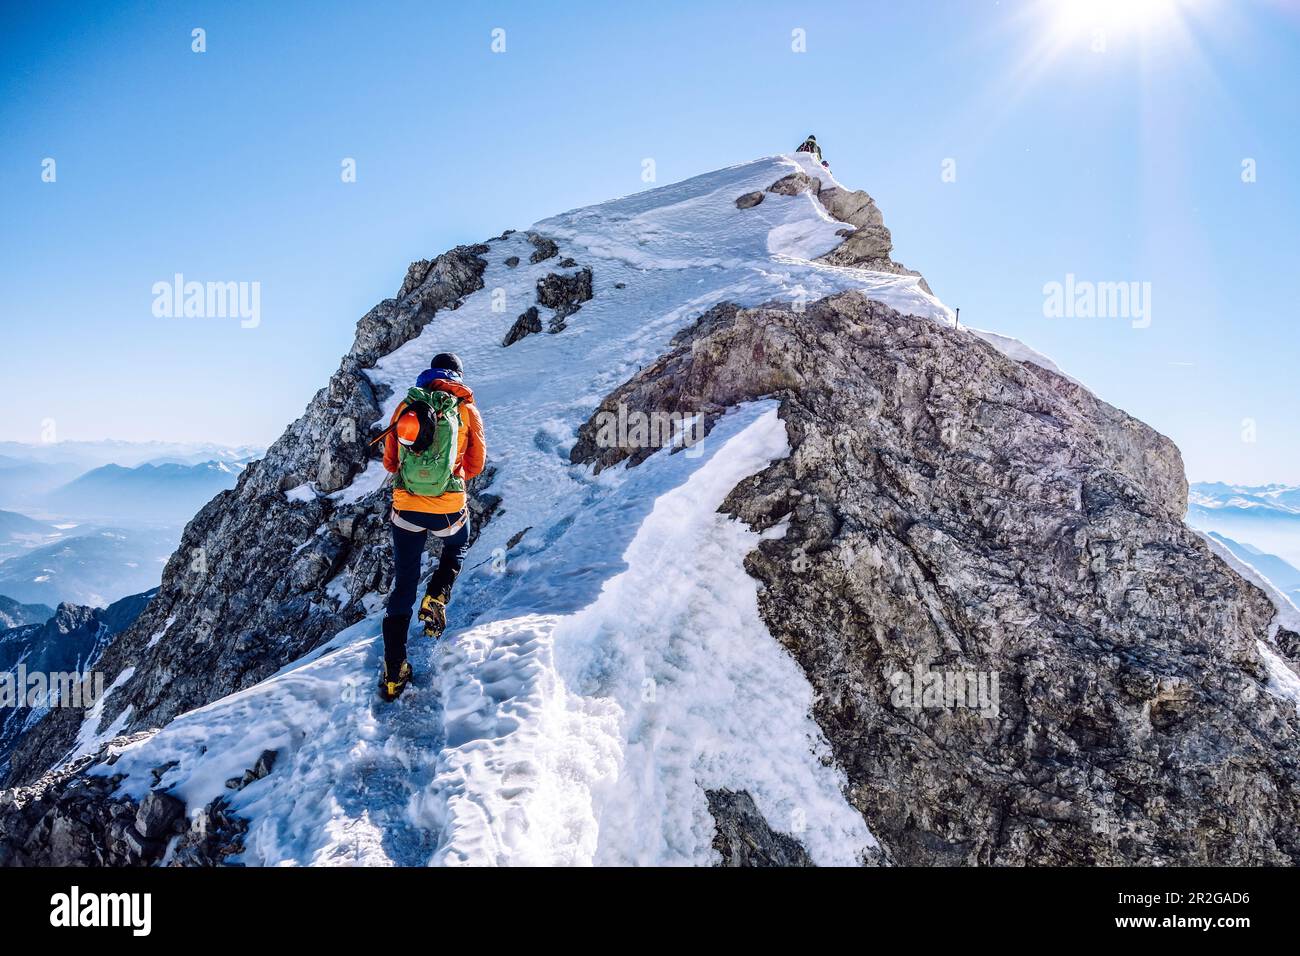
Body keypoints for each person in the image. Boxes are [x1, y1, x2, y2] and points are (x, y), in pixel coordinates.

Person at [377, 351, 486, 701]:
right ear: (458, 375)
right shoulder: (466, 411)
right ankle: (437, 594)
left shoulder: (406, 406)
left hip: (406, 510)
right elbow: (476, 465)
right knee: (457, 546)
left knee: (403, 584)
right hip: (449, 508)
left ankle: (394, 672)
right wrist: (446, 479)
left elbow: (391, 463)